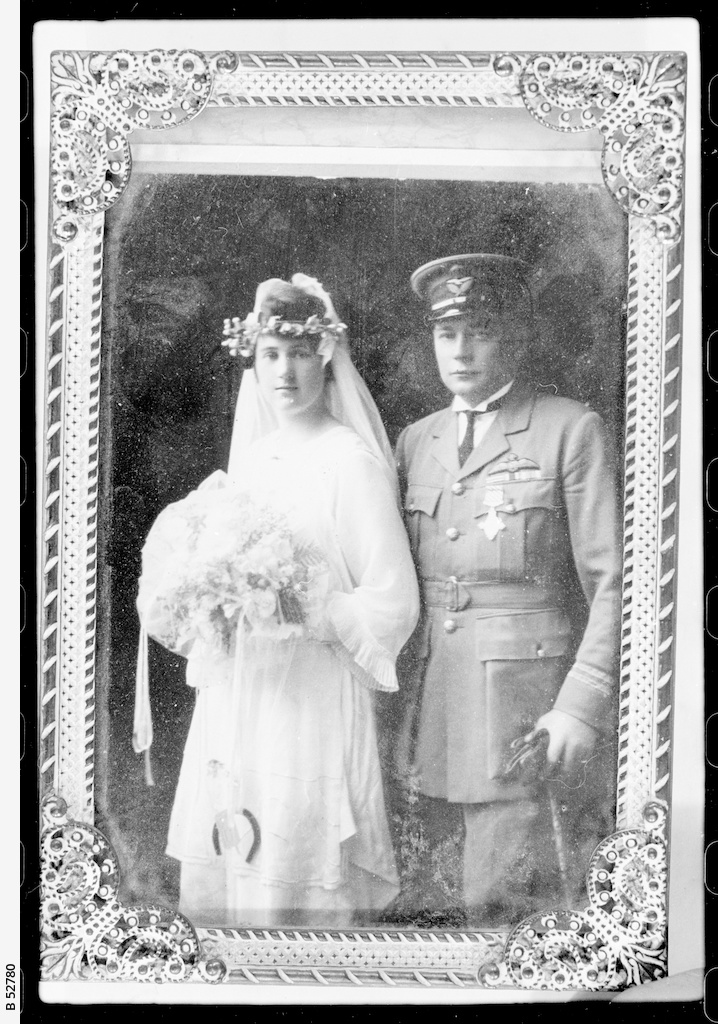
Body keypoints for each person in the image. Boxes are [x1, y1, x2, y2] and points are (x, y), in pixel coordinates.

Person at [133, 274, 420, 928]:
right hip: (242, 691)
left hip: (311, 697)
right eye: (269, 354)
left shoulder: (350, 462)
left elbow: (393, 600)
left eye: (298, 352)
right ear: (253, 363)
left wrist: (313, 613)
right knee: (232, 854)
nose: (284, 370)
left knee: (297, 859)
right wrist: (207, 598)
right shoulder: (255, 459)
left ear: (326, 355)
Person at [393, 253, 621, 928]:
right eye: (446, 333)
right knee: (426, 903)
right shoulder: (415, 441)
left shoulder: (567, 431)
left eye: (480, 331)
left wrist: (580, 705)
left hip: (523, 706)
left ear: (516, 336)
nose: (460, 350)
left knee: (497, 909)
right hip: (427, 702)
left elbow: (615, 583)